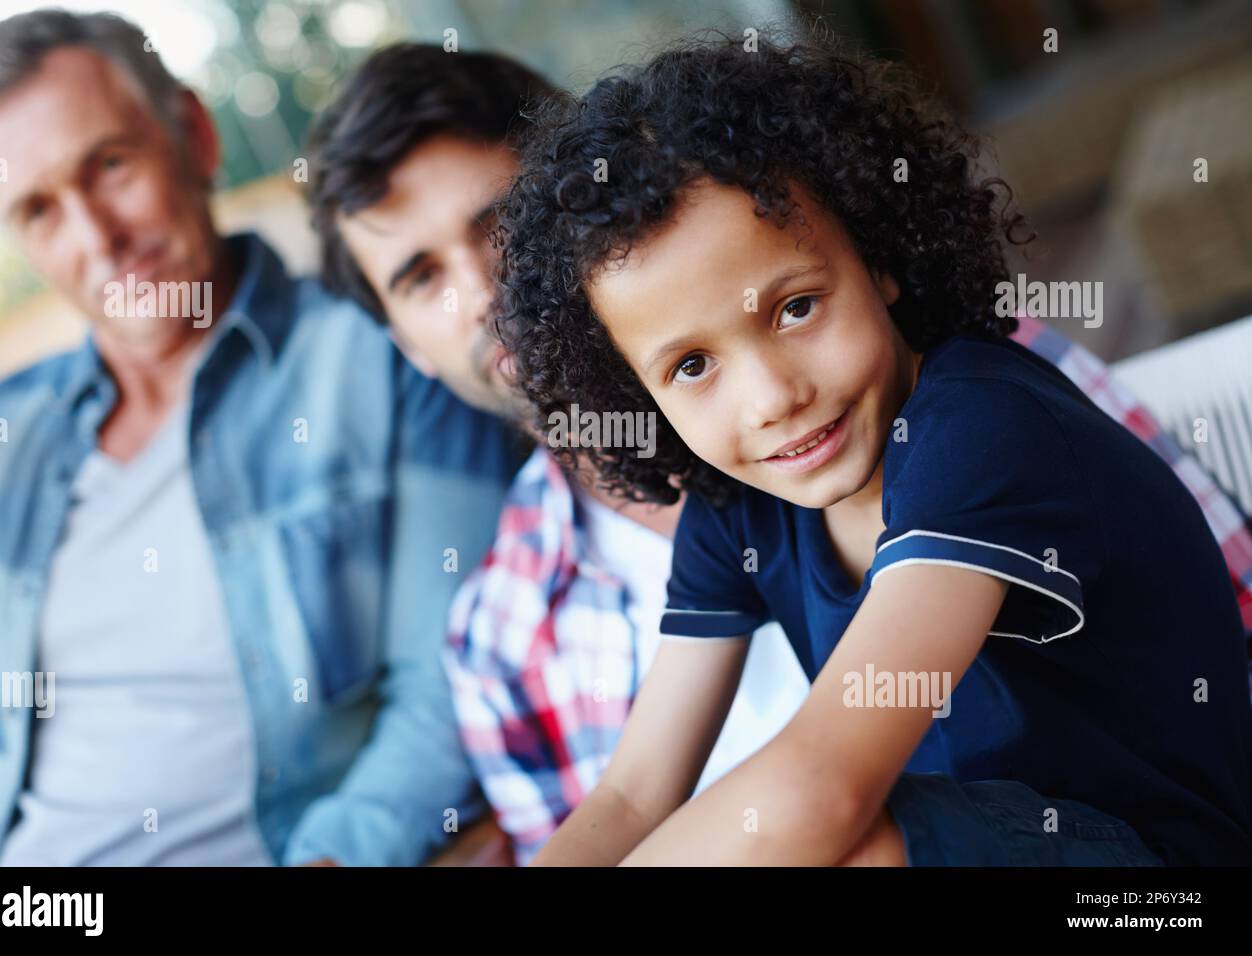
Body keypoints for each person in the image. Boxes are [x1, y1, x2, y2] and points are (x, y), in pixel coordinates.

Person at [494, 33, 1252, 865]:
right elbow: (634, 793)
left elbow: (818, 796)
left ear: (880, 259)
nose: (773, 398)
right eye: (692, 365)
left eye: (796, 308)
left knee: (849, 841)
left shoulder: (982, 430)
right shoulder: (740, 507)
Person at [0, 10, 519, 867]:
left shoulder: (385, 355)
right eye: (38, 211)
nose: (96, 239)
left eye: (110, 165)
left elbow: (442, 702)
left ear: (195, 135)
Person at [305, 43, 812, 865]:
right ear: (409, 348)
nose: (483, 295)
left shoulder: (859, 384)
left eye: (498, 221)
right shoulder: (499, 645)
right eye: (421, 277)